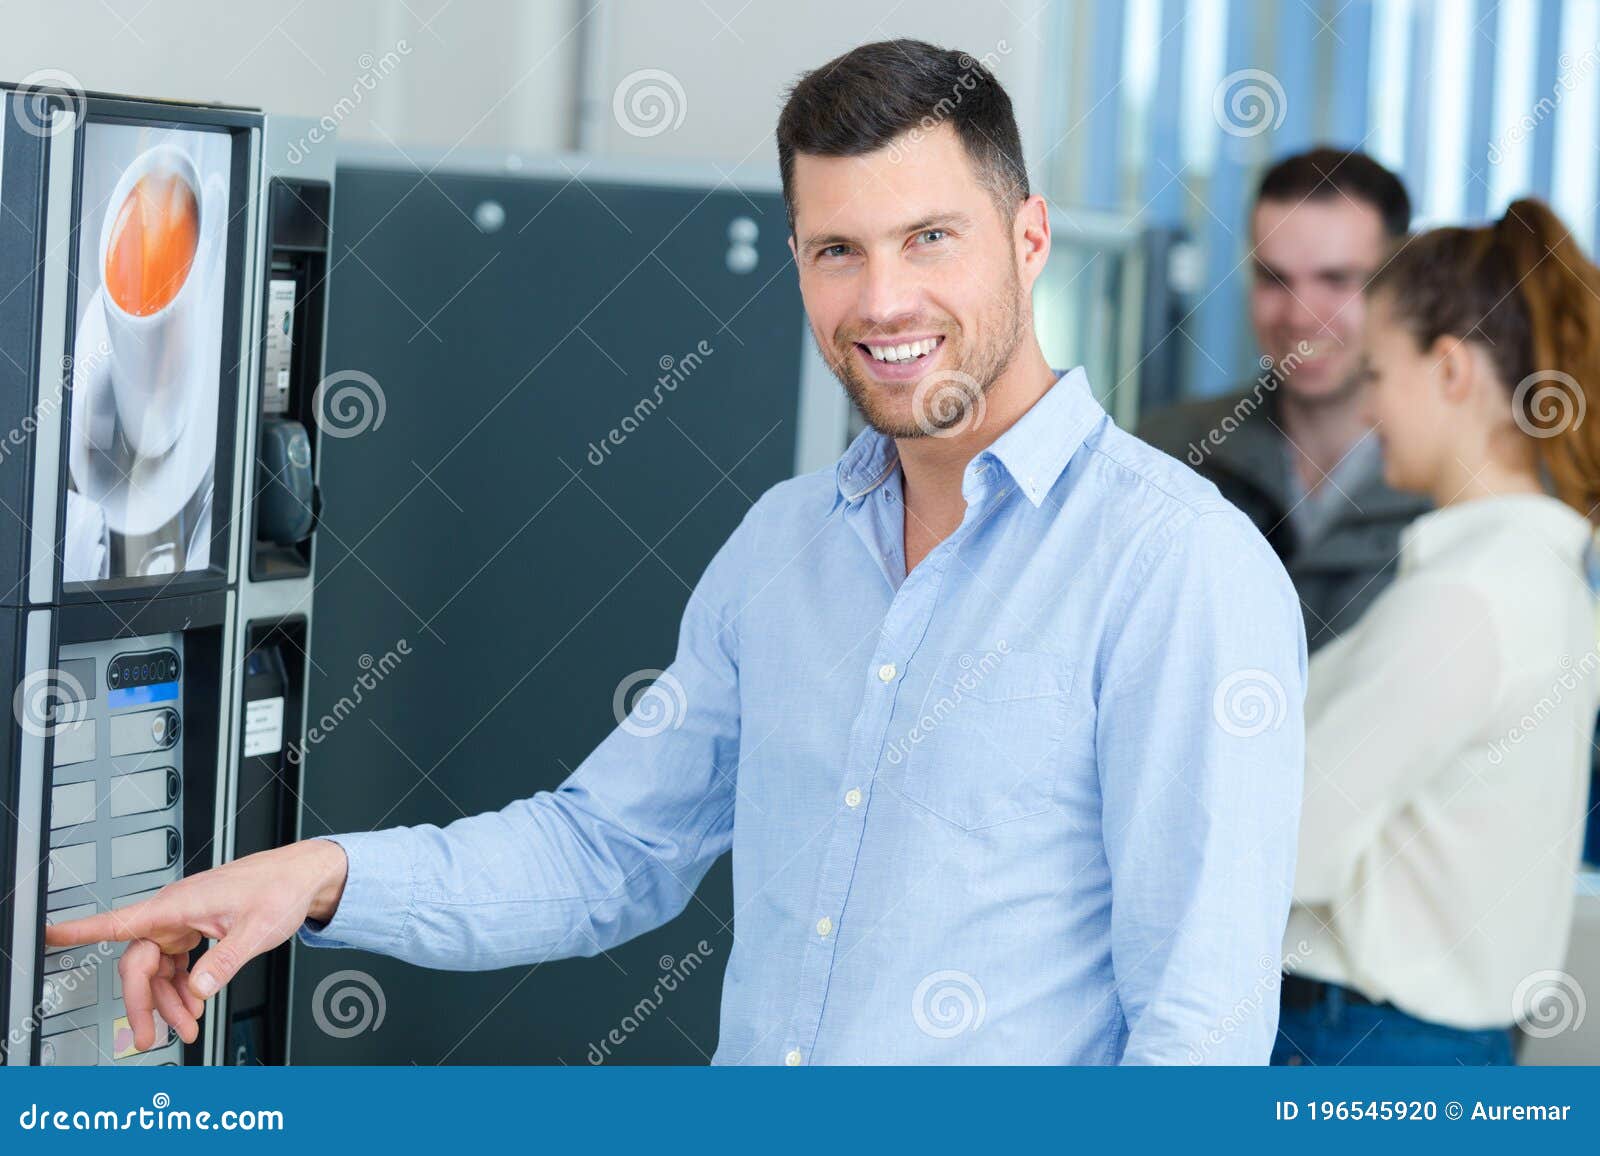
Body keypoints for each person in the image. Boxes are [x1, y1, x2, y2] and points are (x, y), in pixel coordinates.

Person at [48, 39, 1306, 1065]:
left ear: (1027, 238)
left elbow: (1198, 1032)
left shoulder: (1177, 566)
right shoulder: (787, 547)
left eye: (931, 237)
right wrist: (316, 879)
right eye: (836, 250)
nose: (882, 302)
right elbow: (606, 852)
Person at [1273, 199, 1600, 1065]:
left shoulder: (1466, 600)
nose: (1367, 406)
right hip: (1439, 1046)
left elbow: (1288, 849)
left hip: (1356, 1047)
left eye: (1377, 372)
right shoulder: (1544, 579)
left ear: (1450, 370)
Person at [1140, 148, 1430, 652]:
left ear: (1400, 287)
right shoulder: (1162, 455)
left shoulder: (1454, 486)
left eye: (1336, 280)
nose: (1299, 316)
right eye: (1275, 280)